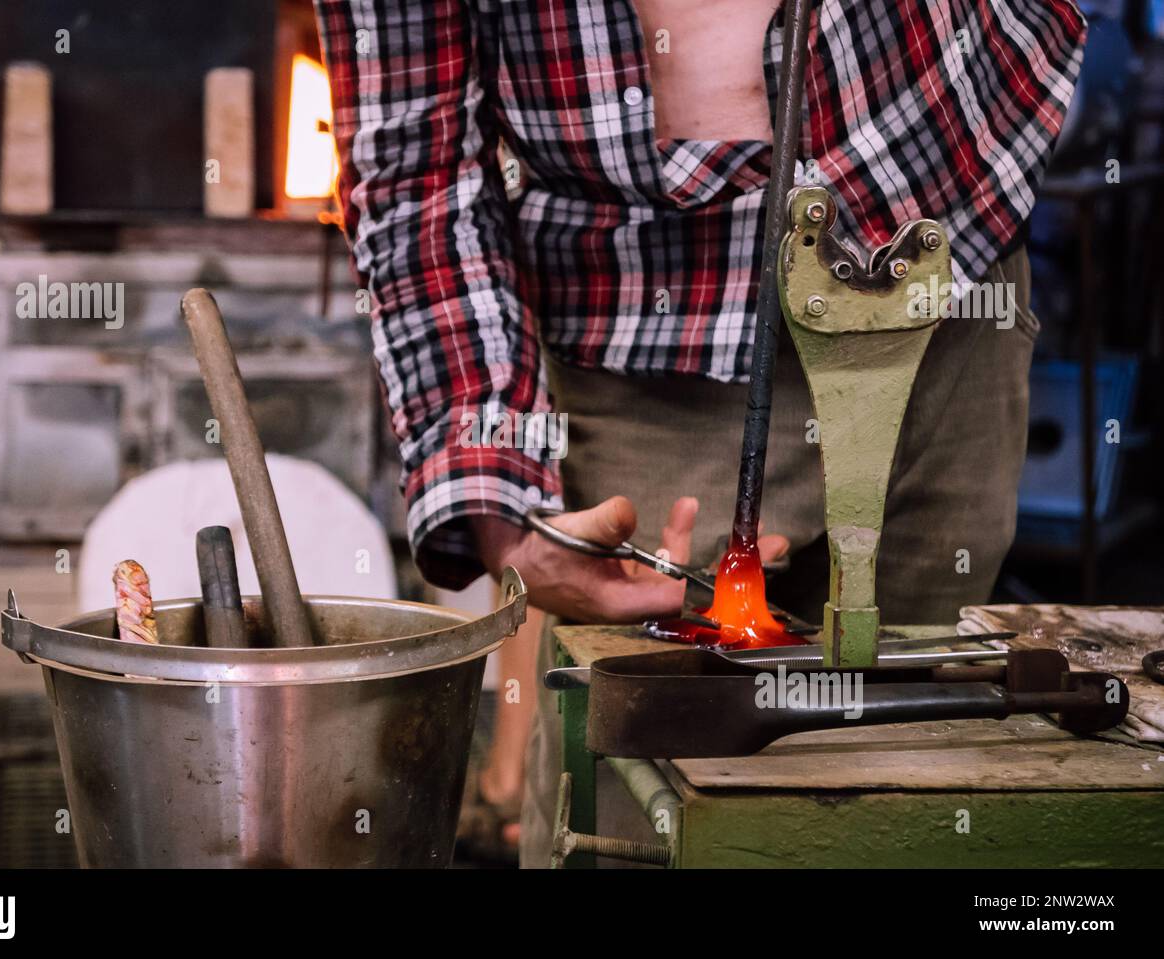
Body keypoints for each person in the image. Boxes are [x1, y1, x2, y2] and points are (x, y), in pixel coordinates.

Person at [312, 0, 1086, 866]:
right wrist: (503, 512)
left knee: (930, 781)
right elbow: (420, 177)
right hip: (651, 333)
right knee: (643, 803)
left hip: (945, 234)